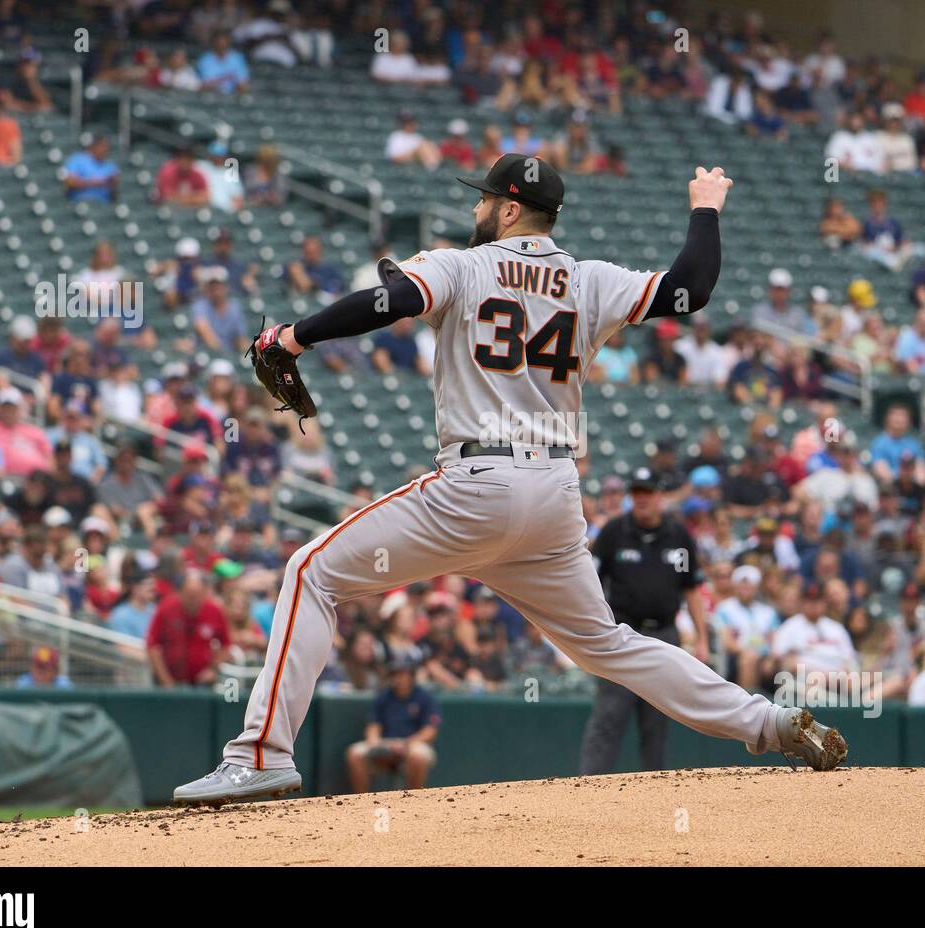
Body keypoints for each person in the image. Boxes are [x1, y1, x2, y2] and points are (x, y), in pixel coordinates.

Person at [172, 156, 847, 804]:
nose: (475, 206)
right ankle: (765, 723)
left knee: (311, 573)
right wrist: (705, 210)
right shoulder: (589, 279)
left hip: (477, 484)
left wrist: (294, 338)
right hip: (553, 497)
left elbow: (391, 300)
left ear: (509, 207)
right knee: (611, 645)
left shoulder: (460, 265)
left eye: (483, 197)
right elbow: (691, 289)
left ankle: (258, 756)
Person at [579, 467, 707, 775]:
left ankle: (654, 797)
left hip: (664, 635)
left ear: (660, 497)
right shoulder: (613, 533)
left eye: (647, 493)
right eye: (636, 493)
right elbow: (589, 581)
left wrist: (702, 637)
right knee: (608, 718)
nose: (641, 499)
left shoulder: (679, 536)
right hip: (622, 634)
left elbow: (692, 590)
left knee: (656, 722)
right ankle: (587, 791)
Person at [345, 656, 441, 792]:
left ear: (411, 676)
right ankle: (362, 799)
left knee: (419, 756)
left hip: (412, 743)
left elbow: (430, 731)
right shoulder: (384, 696)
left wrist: (406, 743)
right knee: (355, 754)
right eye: (396, 674)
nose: (399, 678)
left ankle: (413, 799)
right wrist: (375, 743)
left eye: (403, 674)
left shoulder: (424, 697)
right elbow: (373, 726)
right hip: (387, 743)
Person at [146, 569, 231, 687]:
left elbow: (226, 644)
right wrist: (165, 679)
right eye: (189, 595)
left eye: (197, 595)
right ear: (180, 593)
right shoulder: (166, 608)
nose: (193, 600)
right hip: (169, 681)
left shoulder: (214, 611)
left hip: (202, 684)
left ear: (204, 593)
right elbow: (152, 644)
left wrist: (213, 669)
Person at [62, 134, 118, 202]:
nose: (104, 150)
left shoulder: (110, 166)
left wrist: (112, 185)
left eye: (106, 148)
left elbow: (114, 191)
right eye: (102, 147)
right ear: (94, 146)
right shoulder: (77, 159)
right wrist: (99, 183)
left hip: (103, 205)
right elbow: (70, 182)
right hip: (80, 203)